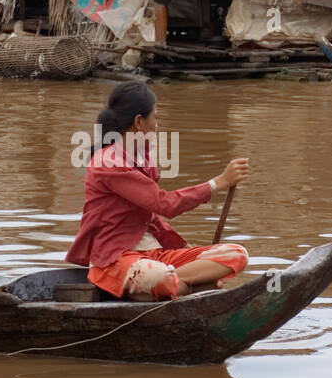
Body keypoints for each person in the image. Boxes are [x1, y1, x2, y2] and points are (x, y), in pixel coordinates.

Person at [66, 81, 251, 301]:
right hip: (117, 261)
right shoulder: (108, 163)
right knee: (161, 277)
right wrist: (217, 183)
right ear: (138, 121)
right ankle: (186, 285)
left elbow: (151, 216)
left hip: (155, 255)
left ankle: (174, 286)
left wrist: (183, 247)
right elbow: (164, 204)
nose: (156, 125)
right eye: (155, 117)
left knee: (237, 254)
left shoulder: (142, 158)